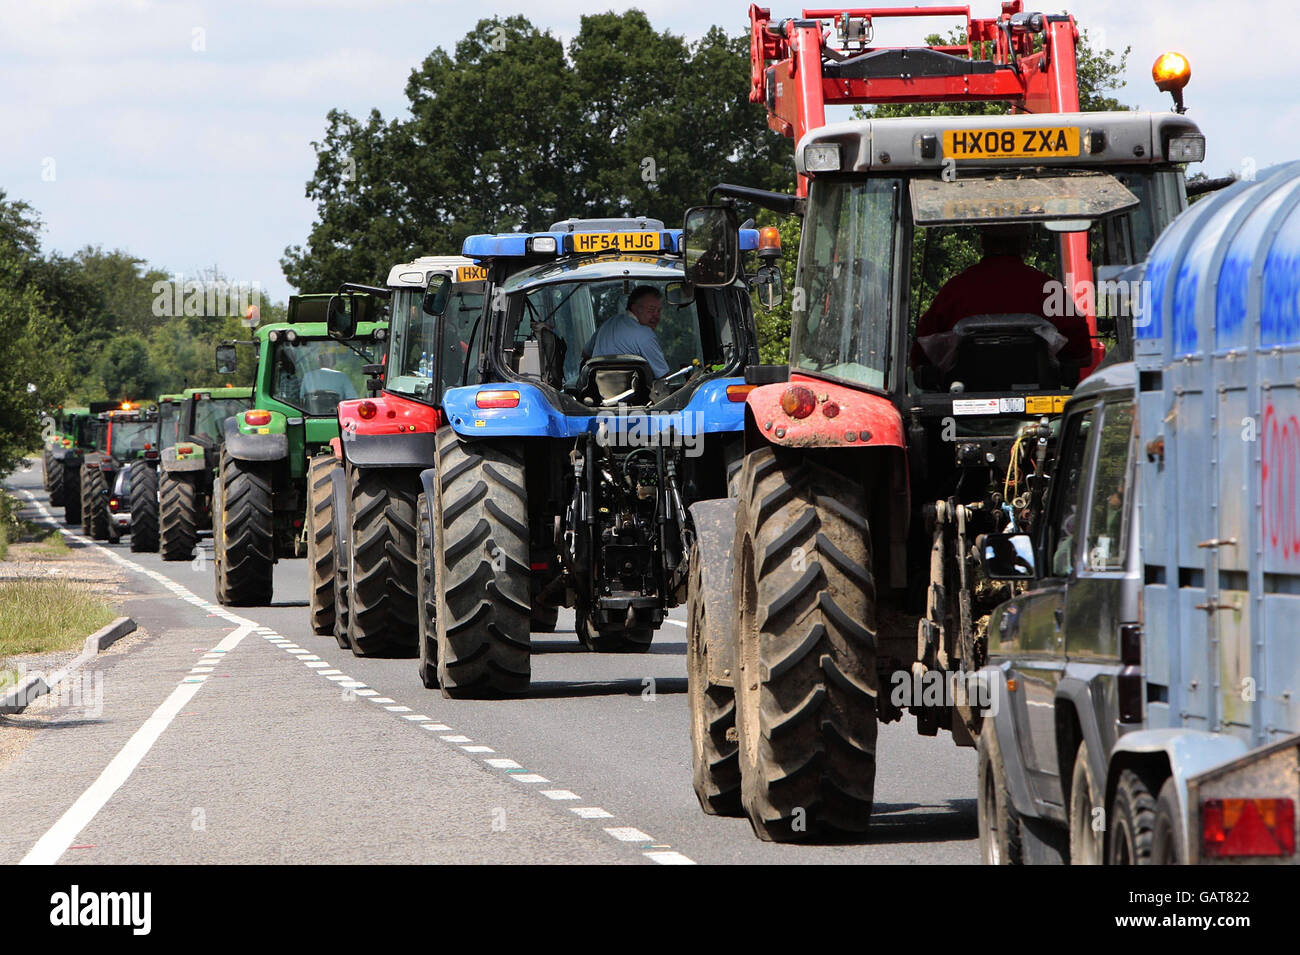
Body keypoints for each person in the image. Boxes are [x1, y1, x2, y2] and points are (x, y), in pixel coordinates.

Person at [910, 224, 1092, 372]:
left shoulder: (954, 290)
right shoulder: (1049, 290)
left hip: (963, 402)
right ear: (1025, 245)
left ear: (982, 242)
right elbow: (1082, 354)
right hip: (1039, 405)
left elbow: (921, 355)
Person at [583, 286, 670, 378]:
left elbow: (585, 354)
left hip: (595, 390)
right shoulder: (645, 335)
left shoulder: (609, 323)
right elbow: (664, 378)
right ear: (635, 308)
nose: (656, 316)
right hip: (634, 391)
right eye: (651, 310)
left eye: (659, 311)